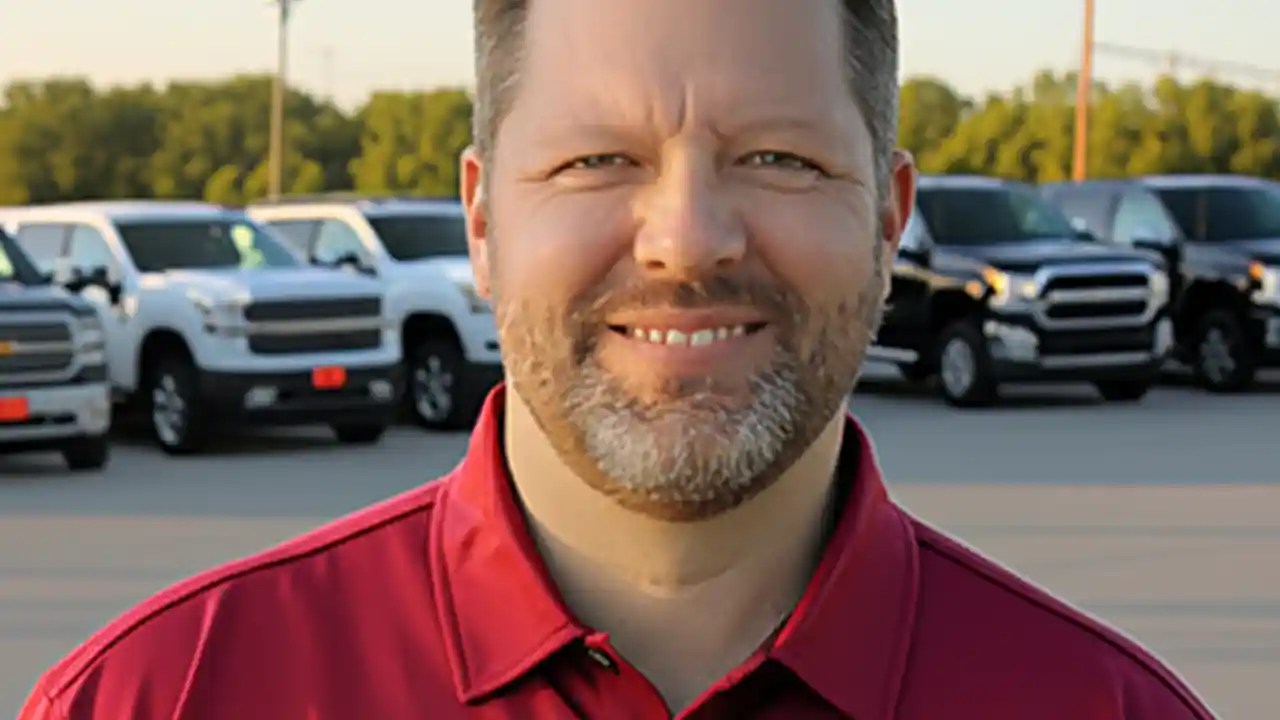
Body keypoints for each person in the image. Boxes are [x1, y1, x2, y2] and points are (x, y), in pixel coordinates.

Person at [20, 0, 1217, 718]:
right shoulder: (163, 699)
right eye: (597, 161)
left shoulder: (1105, 709)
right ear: (481, 223)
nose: (687, 239)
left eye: (781, 161)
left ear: (887, 216)